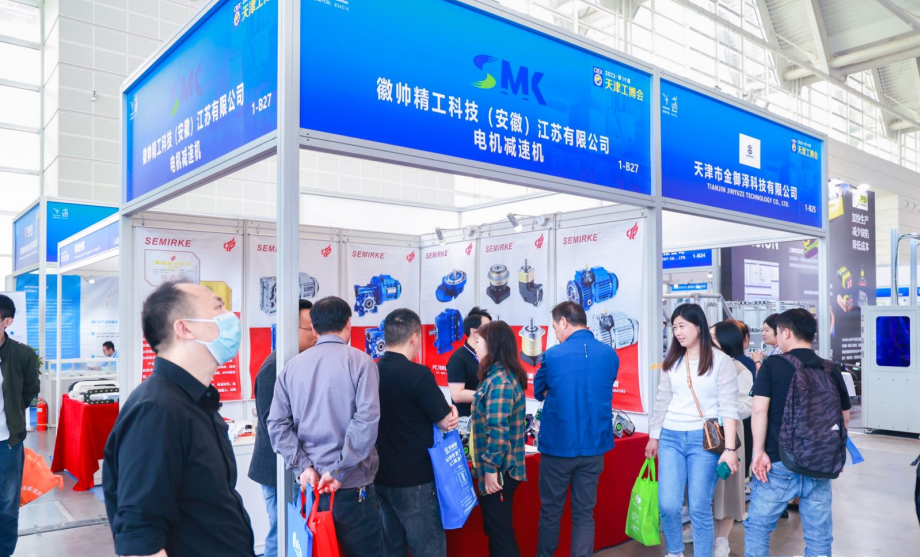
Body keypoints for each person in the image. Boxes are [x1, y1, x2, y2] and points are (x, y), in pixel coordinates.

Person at [103, 280, 255, 557]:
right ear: (184, 328)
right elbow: (140, 537)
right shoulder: (156, 411)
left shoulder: (197, 401)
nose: (229, 317)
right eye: (218, 308)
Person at [268, 296, 383, 557]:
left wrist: (303, 467)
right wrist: (339, 470)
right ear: (348, 323)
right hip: (353, 488)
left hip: (312, 489)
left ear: (314, 329)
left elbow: (276, 424)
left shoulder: (291, 368)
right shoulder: (362, 363)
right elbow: (365, 422)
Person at [744, 309, 852, 557]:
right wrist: (835, 454)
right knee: (819, 536)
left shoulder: (772, 365)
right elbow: (844, 418)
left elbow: (759, 411)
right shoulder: (831, 369)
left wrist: (758, 453)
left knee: (758, 528)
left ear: (786, 332)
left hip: (778, 461)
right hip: (819, 463)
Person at [646, 303, 740, 557]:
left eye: (682, 326)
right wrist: (654, 436)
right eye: (674, 327)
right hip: (670, 437)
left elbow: (729, 408)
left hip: (704, 440)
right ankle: (674, 552)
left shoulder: (720, 361)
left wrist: (730, 449)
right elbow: (662, 401)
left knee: (699, 507)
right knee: (668, 505)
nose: (677, 332)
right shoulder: (672, 361)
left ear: (699, 327)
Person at [533, 301, 619, 557]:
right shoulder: (610, 355)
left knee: (551, 511)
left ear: (564, 322)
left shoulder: (553, 355)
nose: (556, 333)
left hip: (558, 447)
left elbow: (539, 391)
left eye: (554, 327)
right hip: (594, 446)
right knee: (584, 513)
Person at [375, 309, 459, 557]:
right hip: (415, 481)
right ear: (414, 338)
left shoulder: (371, 371)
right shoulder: (418, 374)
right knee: (428, 549)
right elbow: (446, 422)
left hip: (380, 477)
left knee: (393, 549)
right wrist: (452, 412)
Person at [248, 299, 316, 557]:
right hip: (277, 471)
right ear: (291, 329)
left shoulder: (300, 363)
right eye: (310, 329)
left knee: (296, 535)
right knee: (282, 535)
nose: (316, 335)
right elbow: (273, 425)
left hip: (295, 468)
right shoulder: (273, 368)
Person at [471, 321, 527, 557]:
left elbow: (498, 430)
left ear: (492, 345)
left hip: (499, 471)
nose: (475, 346)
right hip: (495, 469)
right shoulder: (494, 377)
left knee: (501, 535)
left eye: (479, 341)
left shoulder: (500, 382)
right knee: (495, 532)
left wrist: (491, 468)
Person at [0, 294, 40, 557]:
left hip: (7, 443)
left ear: (7, 322)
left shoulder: (22, 355)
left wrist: (13, 413)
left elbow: (30, 391)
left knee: (6, 506)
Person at [709, 322, 753, 557]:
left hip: (729, 436)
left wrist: (724, 406)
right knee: (703, 487)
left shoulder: (739, 370)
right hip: (701, 434)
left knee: (726, 487)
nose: (708, 340)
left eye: (713, 336)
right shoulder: (702, 365)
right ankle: (701, 529)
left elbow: (747, 407)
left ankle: (722, 539)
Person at [447, 307, 491, 417]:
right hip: (467, 420)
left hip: (487, 416)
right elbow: (457, 395)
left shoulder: (489, 354)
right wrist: (488, 395)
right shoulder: (458, 358)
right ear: (474, 331)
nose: (491, 331)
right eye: (487, 327)